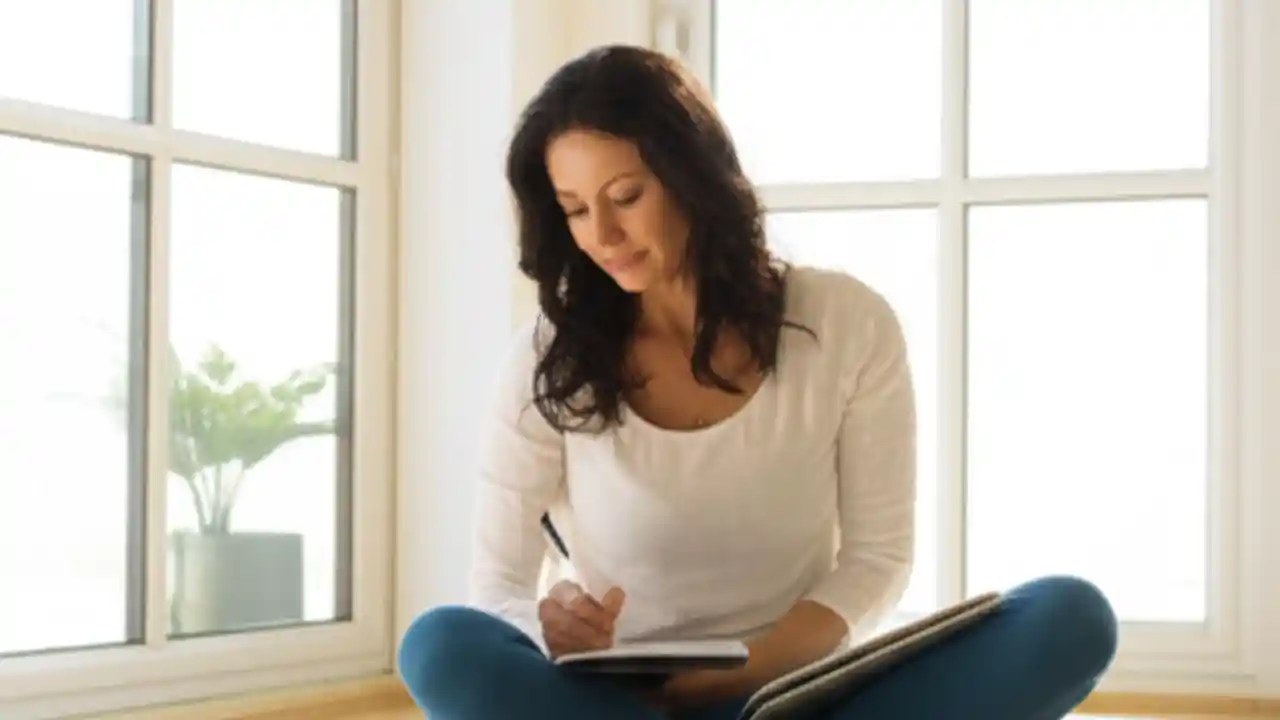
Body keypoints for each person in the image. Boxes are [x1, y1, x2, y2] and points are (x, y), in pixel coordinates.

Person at [397, 44, 1118, 720]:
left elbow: (877, 559)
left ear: (692, 176)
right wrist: (547, 626)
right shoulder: (546, 362)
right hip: (623, 705)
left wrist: (750, 673)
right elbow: (496, 588)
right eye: (577, 210)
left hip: (794, 694)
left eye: (626, 195)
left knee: (1068, 617)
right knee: (438, 645)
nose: (603, 236)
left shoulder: (844, 322)